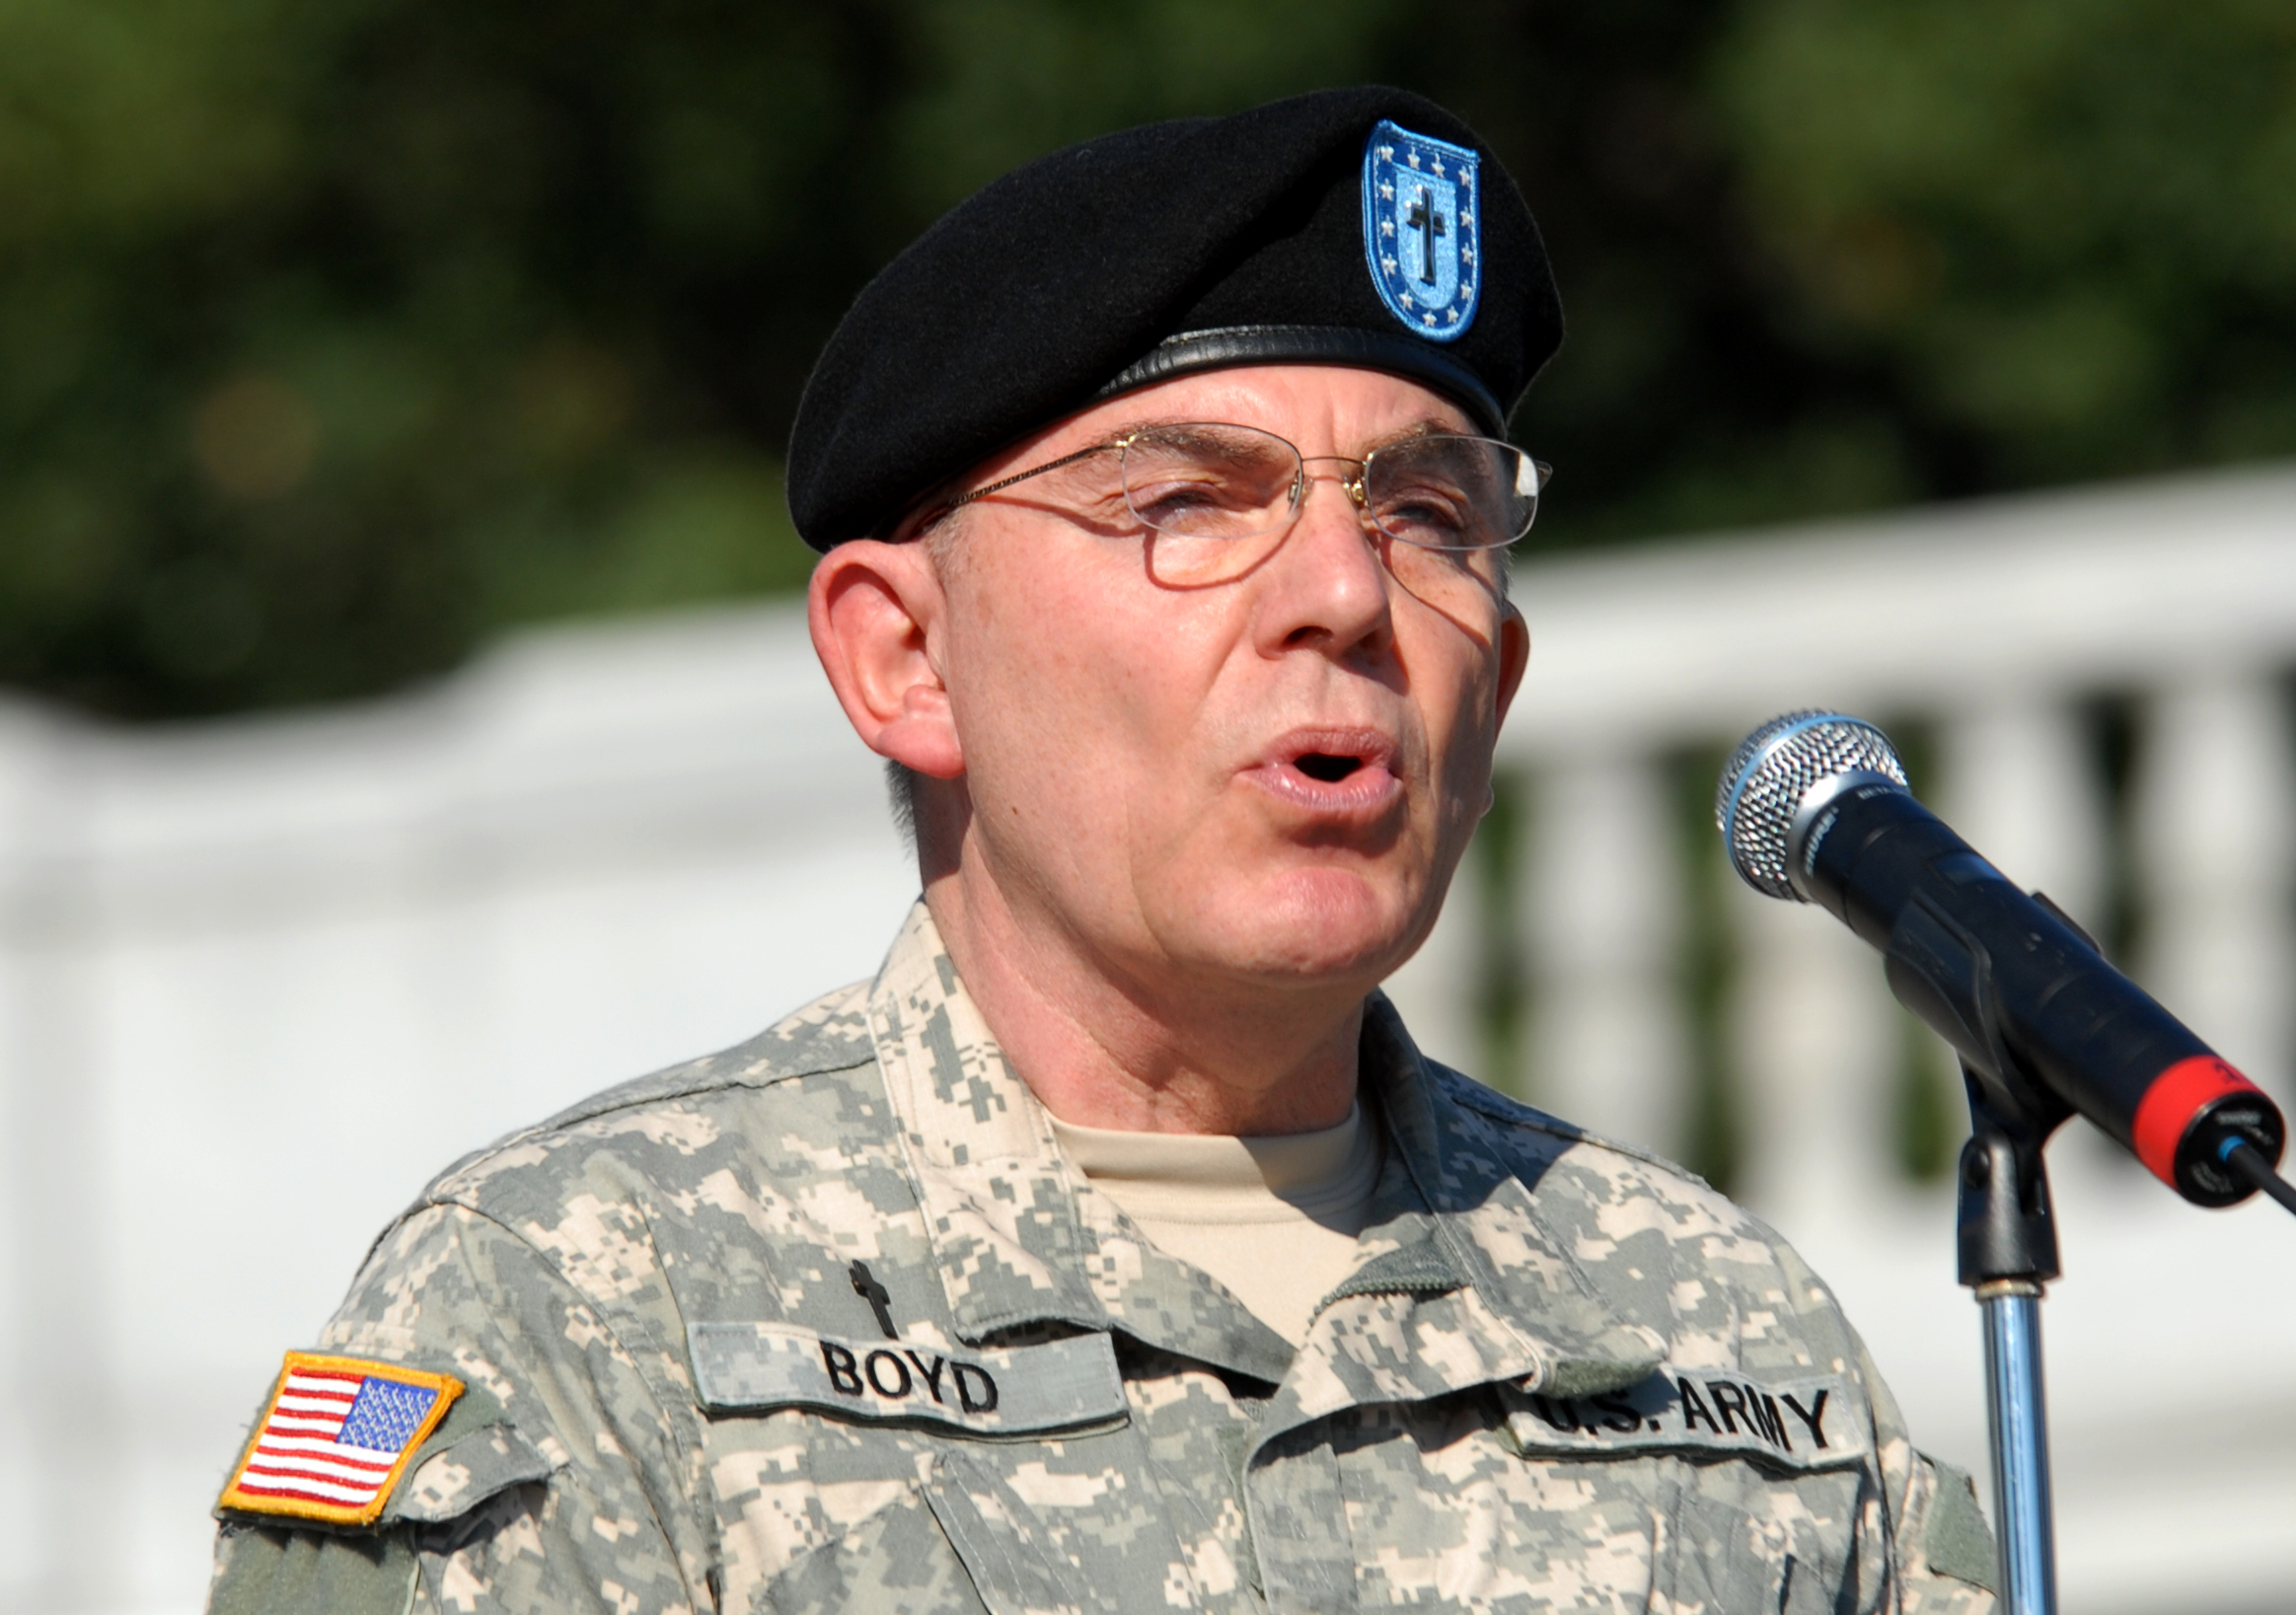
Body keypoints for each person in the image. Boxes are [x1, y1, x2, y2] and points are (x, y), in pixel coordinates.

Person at [204, 87, 2000, 1615]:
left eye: (1432, 513)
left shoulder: (1729, 1346)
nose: (1346, 596)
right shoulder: (585, 1305)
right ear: (906, 658)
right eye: (1186, 503)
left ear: (1499, 683)